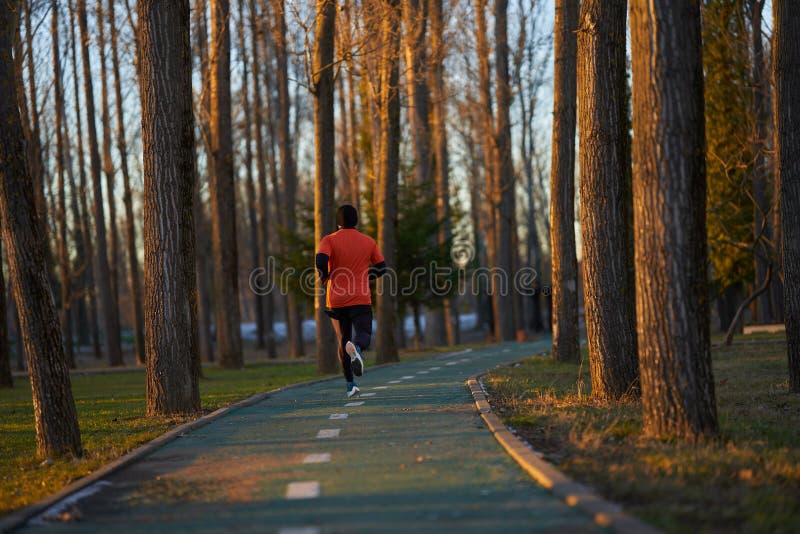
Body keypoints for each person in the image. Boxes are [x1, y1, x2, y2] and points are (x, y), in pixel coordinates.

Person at [316, 204, 386, 397]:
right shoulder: (368, 242)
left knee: (343, 339)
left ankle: (350, 385)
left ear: (338, 222)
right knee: (363, 333)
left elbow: (320, 261)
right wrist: (365, 275)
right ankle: (357, 348)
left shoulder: (329, 240)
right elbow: (382, 268)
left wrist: (325, 279)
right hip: (360, 297)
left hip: (336, 299)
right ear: (356, 220)